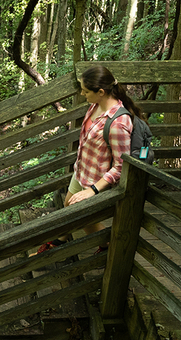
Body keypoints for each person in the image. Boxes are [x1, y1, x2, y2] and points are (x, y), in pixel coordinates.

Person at [38, 65, 146, 253]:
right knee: (68, 207)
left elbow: (121, 167)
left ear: (101, 92)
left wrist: (92, 191)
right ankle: (61, 241)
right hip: (82, 172)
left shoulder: (118, 123)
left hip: (96, 182)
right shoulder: (95, 106)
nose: (82, 93)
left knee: (82, 217)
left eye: (86, 91)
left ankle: (109, 248)